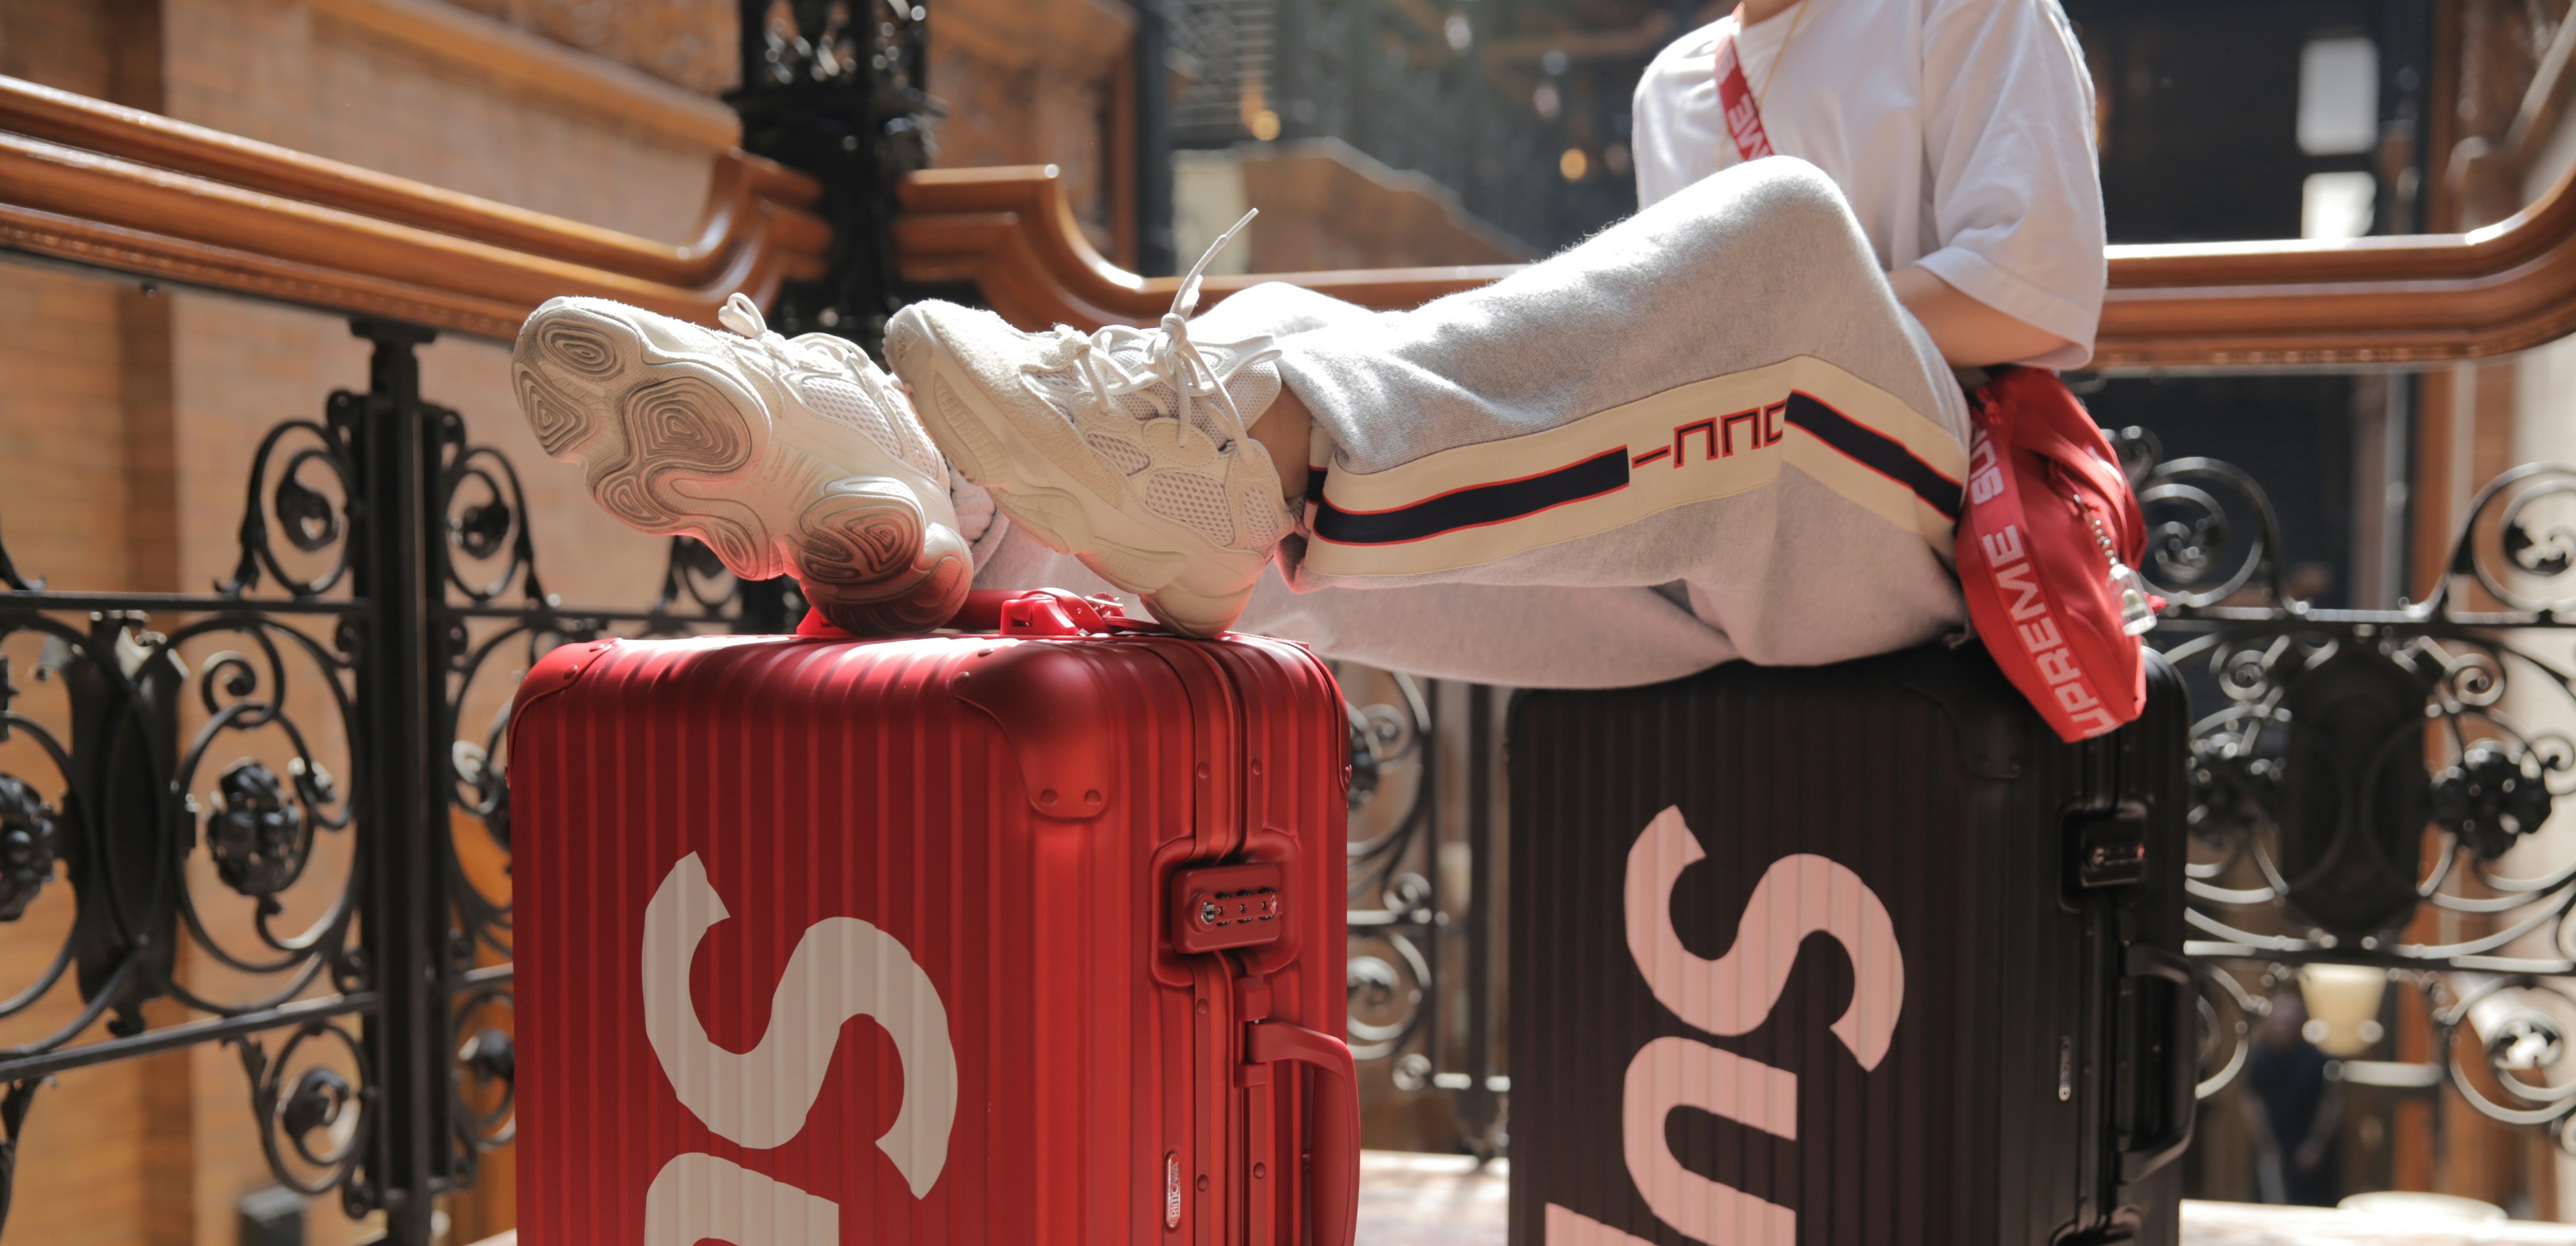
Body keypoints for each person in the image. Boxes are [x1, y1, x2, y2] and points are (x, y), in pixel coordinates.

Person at [512, 0, 2105, 687]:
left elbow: (2037, 296)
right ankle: (936, 512)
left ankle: (1222, 464)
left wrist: (1757, 311)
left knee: (1779, 239)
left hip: (1915, 542)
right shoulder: (1677, 85)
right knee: (1279, 364)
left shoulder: (1966, 12)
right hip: (1713, 554)